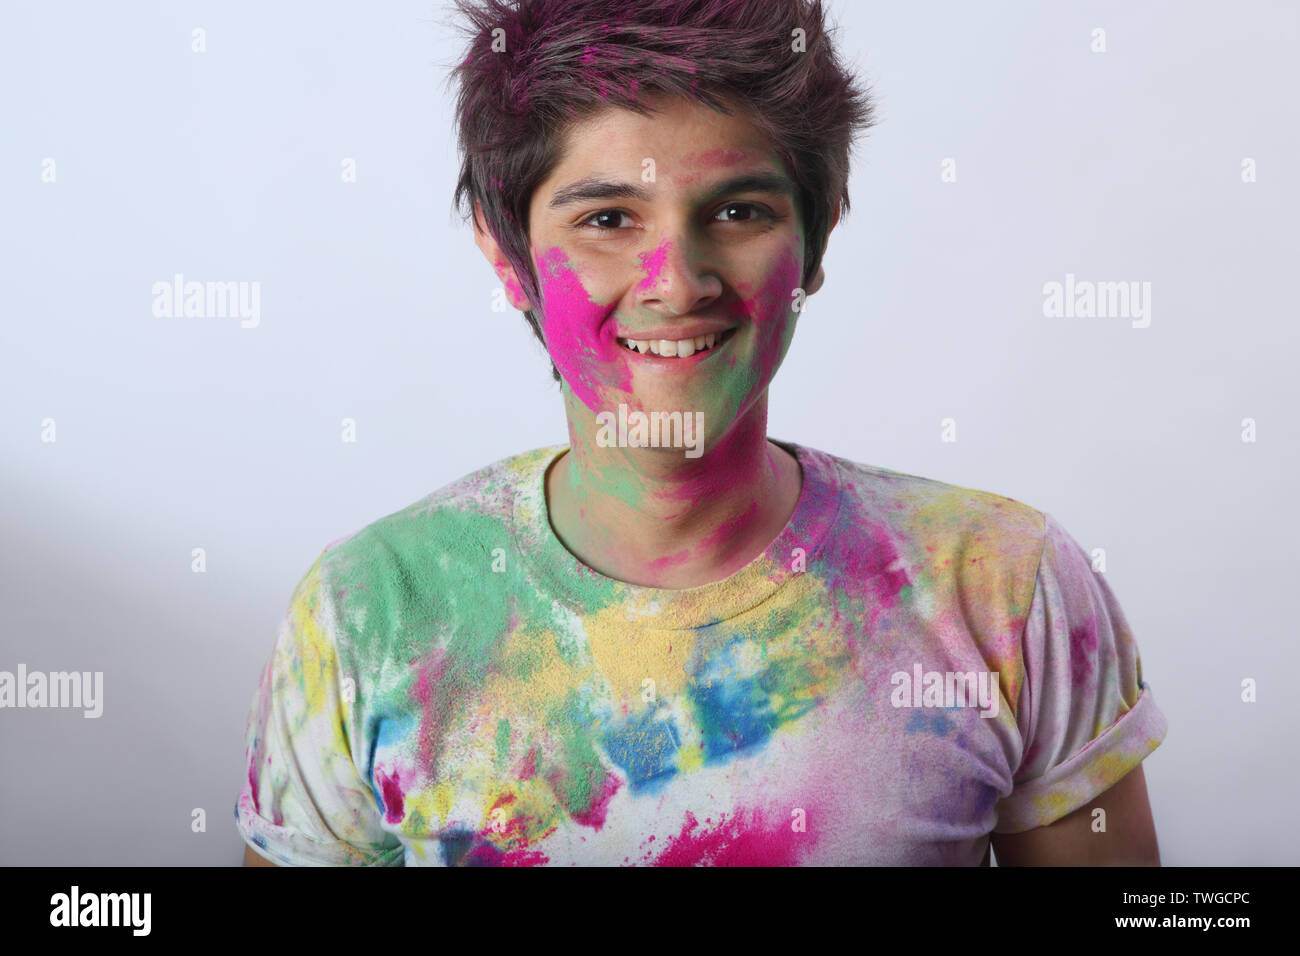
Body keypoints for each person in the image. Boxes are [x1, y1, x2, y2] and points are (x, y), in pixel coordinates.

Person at [237, 0, 1166, 866]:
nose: (676, 282)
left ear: (819, 236)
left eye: (737, 211)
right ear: (505, 251)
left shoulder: (1001, 586)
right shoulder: (367, 615)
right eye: (607, 219)